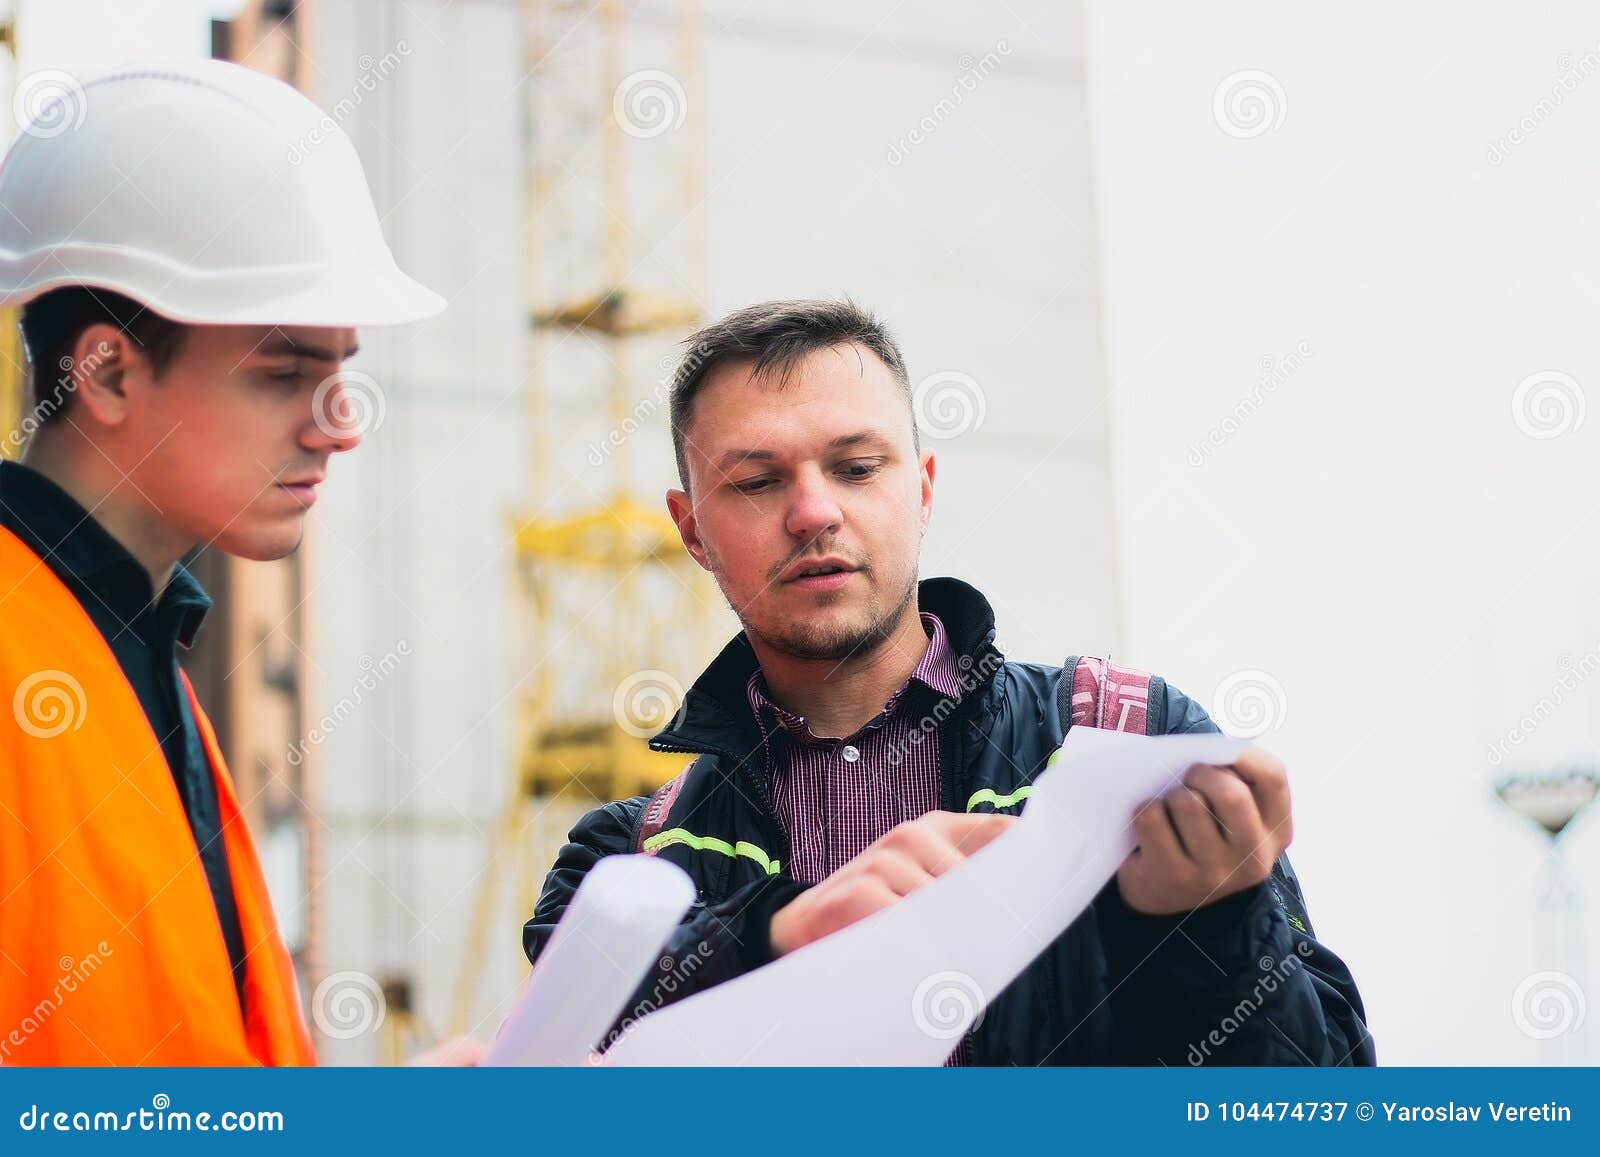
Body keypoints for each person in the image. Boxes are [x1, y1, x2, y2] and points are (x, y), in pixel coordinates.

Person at [525, 299, 1375, 1065]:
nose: (815, 511)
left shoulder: (1133, 741)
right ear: (693, 531)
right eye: (755, 480)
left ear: (923, 489)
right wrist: (774, 942)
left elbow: (1323, 1110)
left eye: (857, 467)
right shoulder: (626, 864)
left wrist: (1211, 923)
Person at [0, 60, 463, 1065]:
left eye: (340, 372)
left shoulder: (128, 643)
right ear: (108, 371)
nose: (337, 428)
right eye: (284, 372)